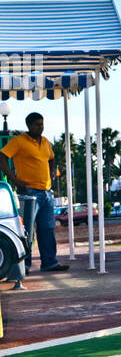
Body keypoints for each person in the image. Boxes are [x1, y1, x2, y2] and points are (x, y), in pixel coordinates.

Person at [0, 112, 68, 272]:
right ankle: (25, 265)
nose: (41, 127)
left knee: (48, 228)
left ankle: (50, 262)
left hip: (46, 192)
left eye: (42, 124)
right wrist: (14, 179)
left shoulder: (45, 142)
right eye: (37, 124)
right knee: (27, 230)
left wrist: (51, 175)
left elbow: (51, 158)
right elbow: (2, 156)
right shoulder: (18, 141)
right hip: (29, 192)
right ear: (29, 125)